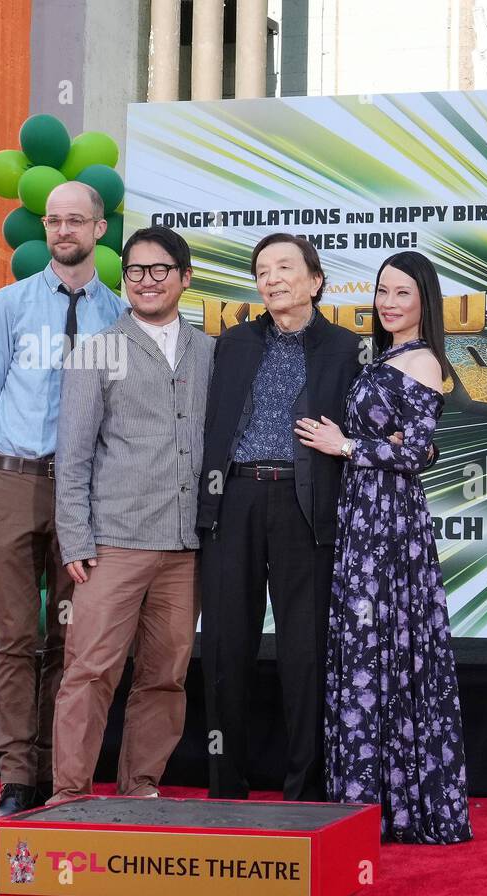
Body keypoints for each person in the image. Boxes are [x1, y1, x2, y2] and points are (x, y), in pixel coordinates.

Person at [296, 250, 471, 844]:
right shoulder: (391, 356)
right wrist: (374, 441)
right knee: (375, 647)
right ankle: (375, 800)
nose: (389, 303)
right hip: (366, 515)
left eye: (402, 293)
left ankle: (387, 803)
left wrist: (345, 445)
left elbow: (417, 451)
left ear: (425, 299)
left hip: (388, 524)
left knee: (382, 646)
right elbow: (401, 442)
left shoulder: (420, 360)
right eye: (382, 291)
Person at [0, 181, 125, 830]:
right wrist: (16, 461)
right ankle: (14, 780)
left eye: (76, 220)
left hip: (84, 493)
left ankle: (59, 778)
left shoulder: (118, 315)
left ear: (100, 229)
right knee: (14, 637)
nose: (63, 231)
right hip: (15, 482)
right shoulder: (8, 306)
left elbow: (118, 413)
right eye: (53, 220)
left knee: (73, 638)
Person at [196, 234, 366, 802]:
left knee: (306, 648)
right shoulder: (234, 343)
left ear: (315, 280)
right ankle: (226, 784)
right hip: (235, 498)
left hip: (306, 503)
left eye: (285, 268)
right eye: (262, 270)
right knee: (224, 643)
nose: (272, 279)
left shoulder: (345, 348)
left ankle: (305, 789)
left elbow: (362, 433)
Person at [49, 226, 214, 803]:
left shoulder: (210, 352)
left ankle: (140, 786)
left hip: (185, 544)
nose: (146, 281)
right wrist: (74, 538)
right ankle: (68, 793)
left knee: (166, 675)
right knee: (90, 671)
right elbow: (71, 454)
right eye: (136, 272)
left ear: (185, 278)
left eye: (159, 270)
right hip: (113, 542)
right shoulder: (97, 349)